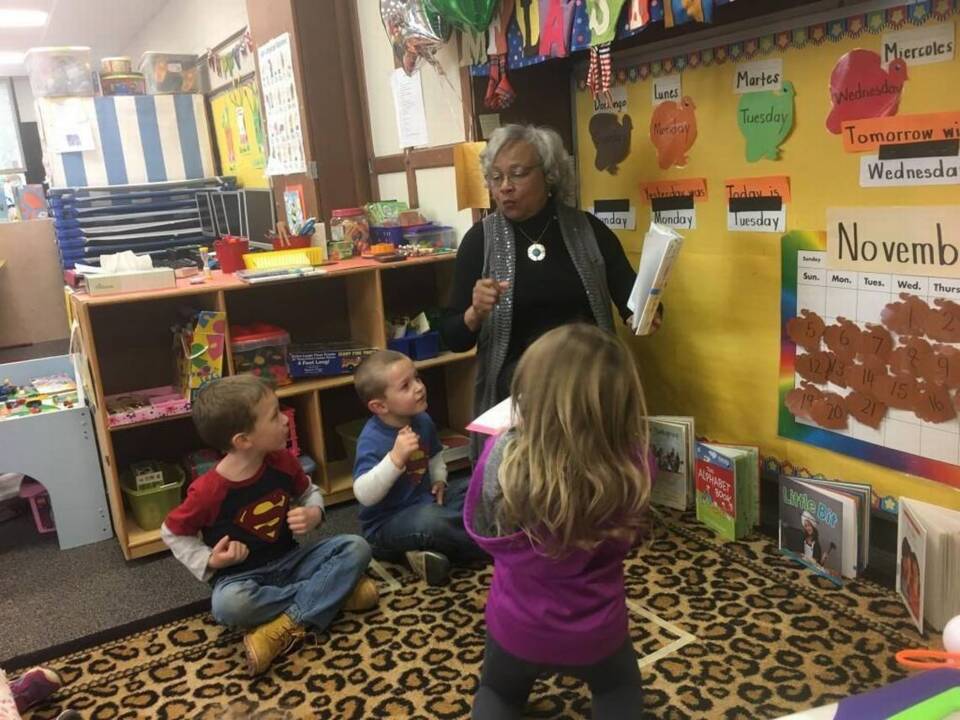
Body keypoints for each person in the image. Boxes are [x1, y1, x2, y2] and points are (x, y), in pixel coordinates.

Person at [463, 324, 652, 719]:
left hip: (516, 625)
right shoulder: (635, 462)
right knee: (619, 688)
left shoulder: (502, 455)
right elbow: (632, 535)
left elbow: (484, 529)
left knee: (497, 691)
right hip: (597, 630)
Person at [439, 123, 658, 457]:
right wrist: (475, 313)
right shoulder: (480, 241)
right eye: (496, 177)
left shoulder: (588, 231)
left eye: (517, 174)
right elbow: (453, 337)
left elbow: (631, 299)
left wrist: (644, 314)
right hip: (517, 400)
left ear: (549, 175)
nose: (505, 187)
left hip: (587, 389)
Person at [161, 376, 378, 676]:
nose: (286, 420)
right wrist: (210, 559)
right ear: (243, 440)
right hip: (242, 579)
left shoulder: (282, 461)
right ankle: (333, 594)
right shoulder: (208, 490)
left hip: (292, 560)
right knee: (228, 607)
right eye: (275, 416)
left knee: (356, 547)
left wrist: (314, 512)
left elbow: (309, 492)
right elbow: (172, 532)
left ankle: (286, 624)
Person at [352, 350, 486, 586]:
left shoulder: (422, 420)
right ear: (380, 406)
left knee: (475, 486)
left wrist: (439, 480)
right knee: (431, 521)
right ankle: (492, 545)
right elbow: (363, 494)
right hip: (386, 525)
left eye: (417, 378)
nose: (419, 387)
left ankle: (424, 553)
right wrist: (395, 459)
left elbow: (434, 455)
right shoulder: (372, 439)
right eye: (406, 386)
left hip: (426, 501)